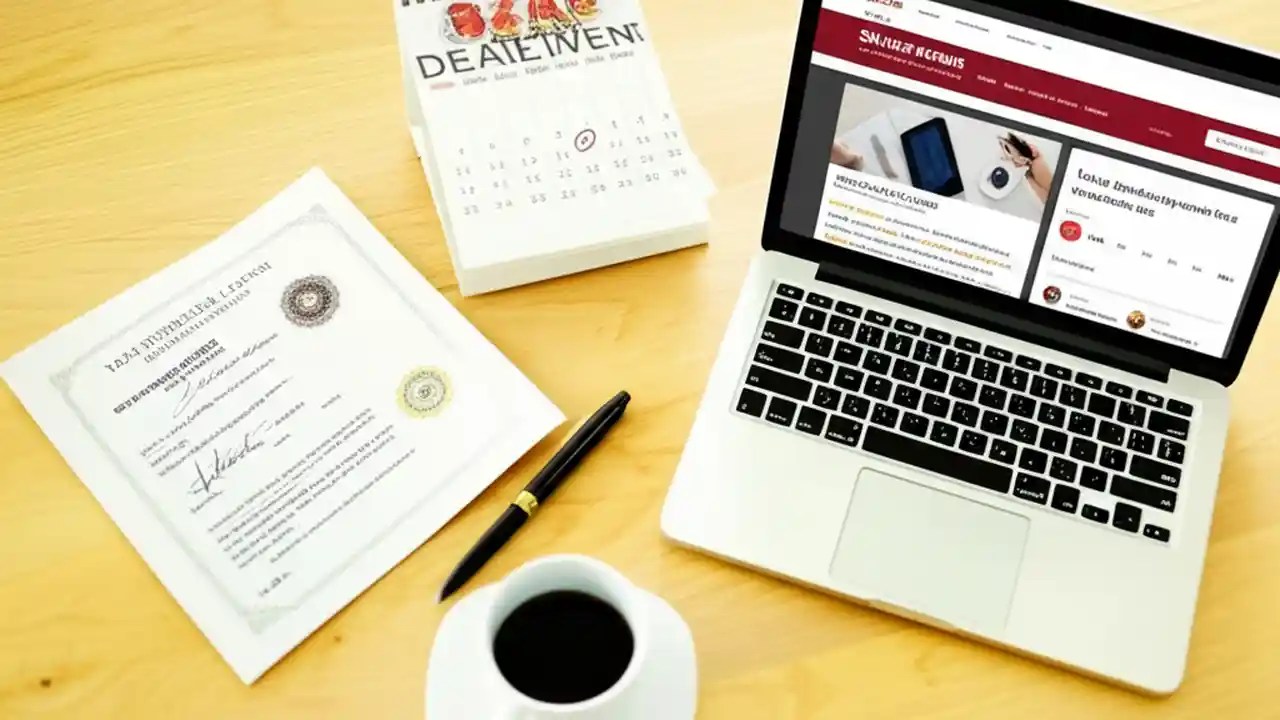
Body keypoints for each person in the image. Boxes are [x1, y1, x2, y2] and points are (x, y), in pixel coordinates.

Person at [1002, 134, 1055, 204]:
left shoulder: (1037, 165)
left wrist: (1029, 178)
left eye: (1013, 159)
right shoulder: (1031, 166)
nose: (1014, 163)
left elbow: (1052, 198)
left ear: (1023, 159)